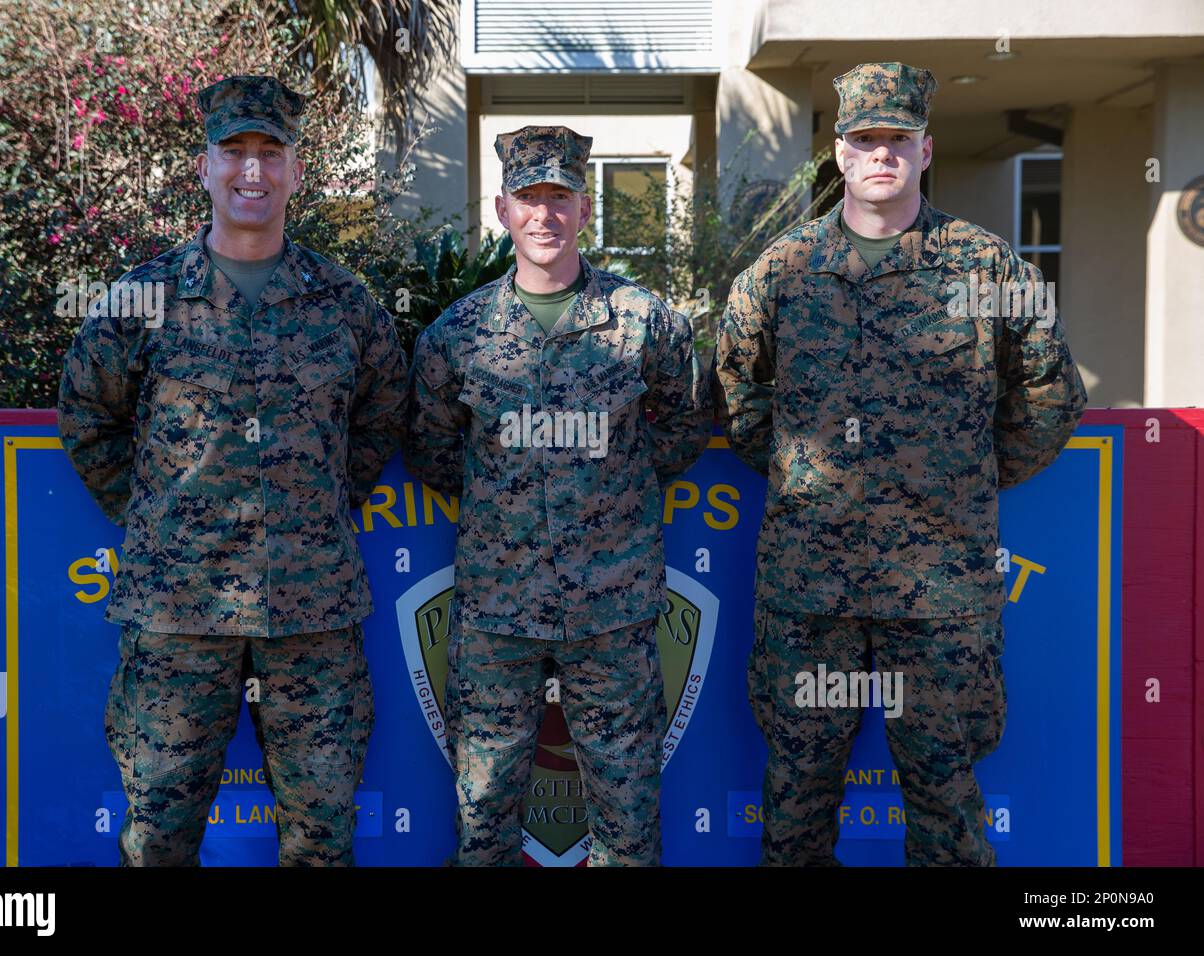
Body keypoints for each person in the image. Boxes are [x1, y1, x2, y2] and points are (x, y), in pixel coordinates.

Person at [713, 62, 1088, 866]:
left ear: (925, 151)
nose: (880, 154)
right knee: (799, 791)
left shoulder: (986, 267)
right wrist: (794, 469)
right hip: (812, 586)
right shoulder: (781, 271)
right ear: (839, 154)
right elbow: (734, 386)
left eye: (898, 140)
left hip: (940, 587)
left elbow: (1052, 393)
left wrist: (963, 477)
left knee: (946, 797)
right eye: (864, 140)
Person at [57, 75, 407, 866]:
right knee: (159, 838)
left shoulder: (346, 304)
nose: (253, 170)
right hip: (178, 611)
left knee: (322, 839)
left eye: (271, 153)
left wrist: (313, 509)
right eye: (235, 151)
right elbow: (88, 418)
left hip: (312, 610)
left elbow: (380, 416)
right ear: (205, 167)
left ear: (296, 172)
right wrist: (163, 521)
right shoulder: (142, 300)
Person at [406, 125, 711, 865]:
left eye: (561, 197)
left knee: (628, 821)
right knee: (482, 823)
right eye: (528, 197)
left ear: (584, 211)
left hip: (613, 608)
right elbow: (435, 449)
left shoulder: (645, 324)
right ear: (504, 210)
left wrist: (610, 496)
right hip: (497, 612)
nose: (544, 214)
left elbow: (682, 427)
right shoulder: (459, 335)